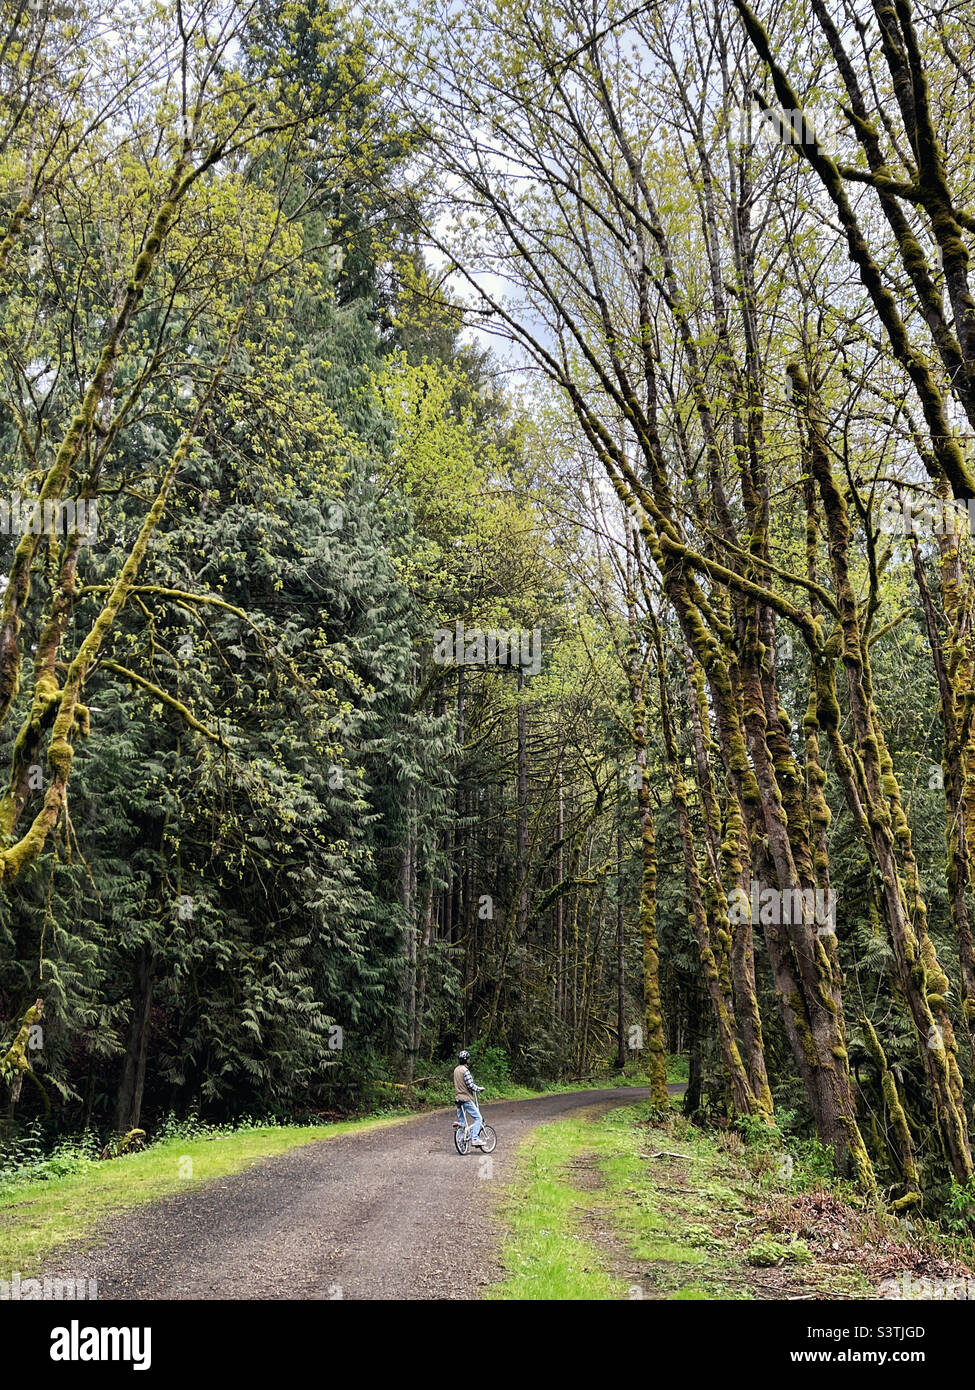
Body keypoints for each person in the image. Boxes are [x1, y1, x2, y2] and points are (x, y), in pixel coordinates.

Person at [453, 1050, 488, 1148]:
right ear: (466, 1060)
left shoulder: (456, 1070)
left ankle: (461, 1144)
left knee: (462, 1123)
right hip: (466, 1098)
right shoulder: (465, 1071)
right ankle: (475, 1138)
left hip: (458, 1099)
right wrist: (479, 1089)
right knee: (478, 1118)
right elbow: (470, 1085)